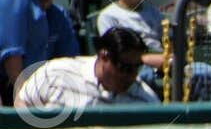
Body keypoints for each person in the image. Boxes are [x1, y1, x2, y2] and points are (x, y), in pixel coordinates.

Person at [15, 25, 158, 107]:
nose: (131, 75)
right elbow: (22, 101)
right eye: (124, 68)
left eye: (137, 67)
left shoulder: (145, 100)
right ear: (104, 57)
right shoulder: (57, 72)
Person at [96, 0, 164, 69]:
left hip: (163, 62)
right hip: (134, 68)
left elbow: (170, 41)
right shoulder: (108, 16)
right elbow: (115, 54)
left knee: (201, 70)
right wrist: (148, 59)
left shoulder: (154, 12)